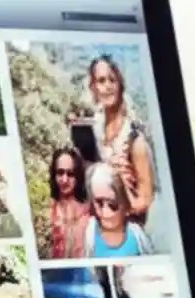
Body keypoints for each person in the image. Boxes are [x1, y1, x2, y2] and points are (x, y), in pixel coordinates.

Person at [87, 55, 156, 227]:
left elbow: (145, 200)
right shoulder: (97, 128)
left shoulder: (134, 139)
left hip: (130, 227)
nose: (108, 86)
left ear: (120, 85)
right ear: (94, 88)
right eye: (101, 81)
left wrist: (121, 202)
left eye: (112, 80)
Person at [82, 163, 154, 258]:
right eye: (99, 203)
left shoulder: (137, 235)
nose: (105, 212)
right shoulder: (89, 233)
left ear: (123, 203)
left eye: (113, 205)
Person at [47, 148, 90, 259]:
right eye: (60, 173)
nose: (64, 180)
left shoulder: (89, 213)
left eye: (70, 174)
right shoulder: (48, 210)